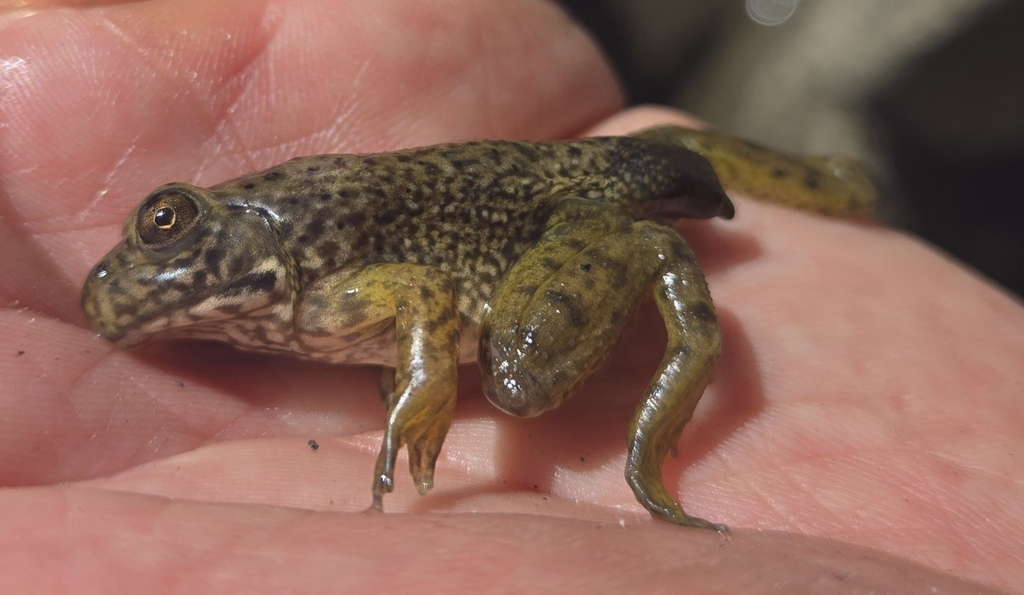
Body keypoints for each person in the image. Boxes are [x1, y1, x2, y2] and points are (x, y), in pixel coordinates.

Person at [0, 1, 1020, 592]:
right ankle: (841, 179)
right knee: (664, 160)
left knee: (526, 380)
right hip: (571, 166)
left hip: (545, 211)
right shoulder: (280, 291)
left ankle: (806, 197)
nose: (157, 250)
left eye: (169, 223)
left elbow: (417, 297)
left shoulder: (323, 288)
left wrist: (423, 391)